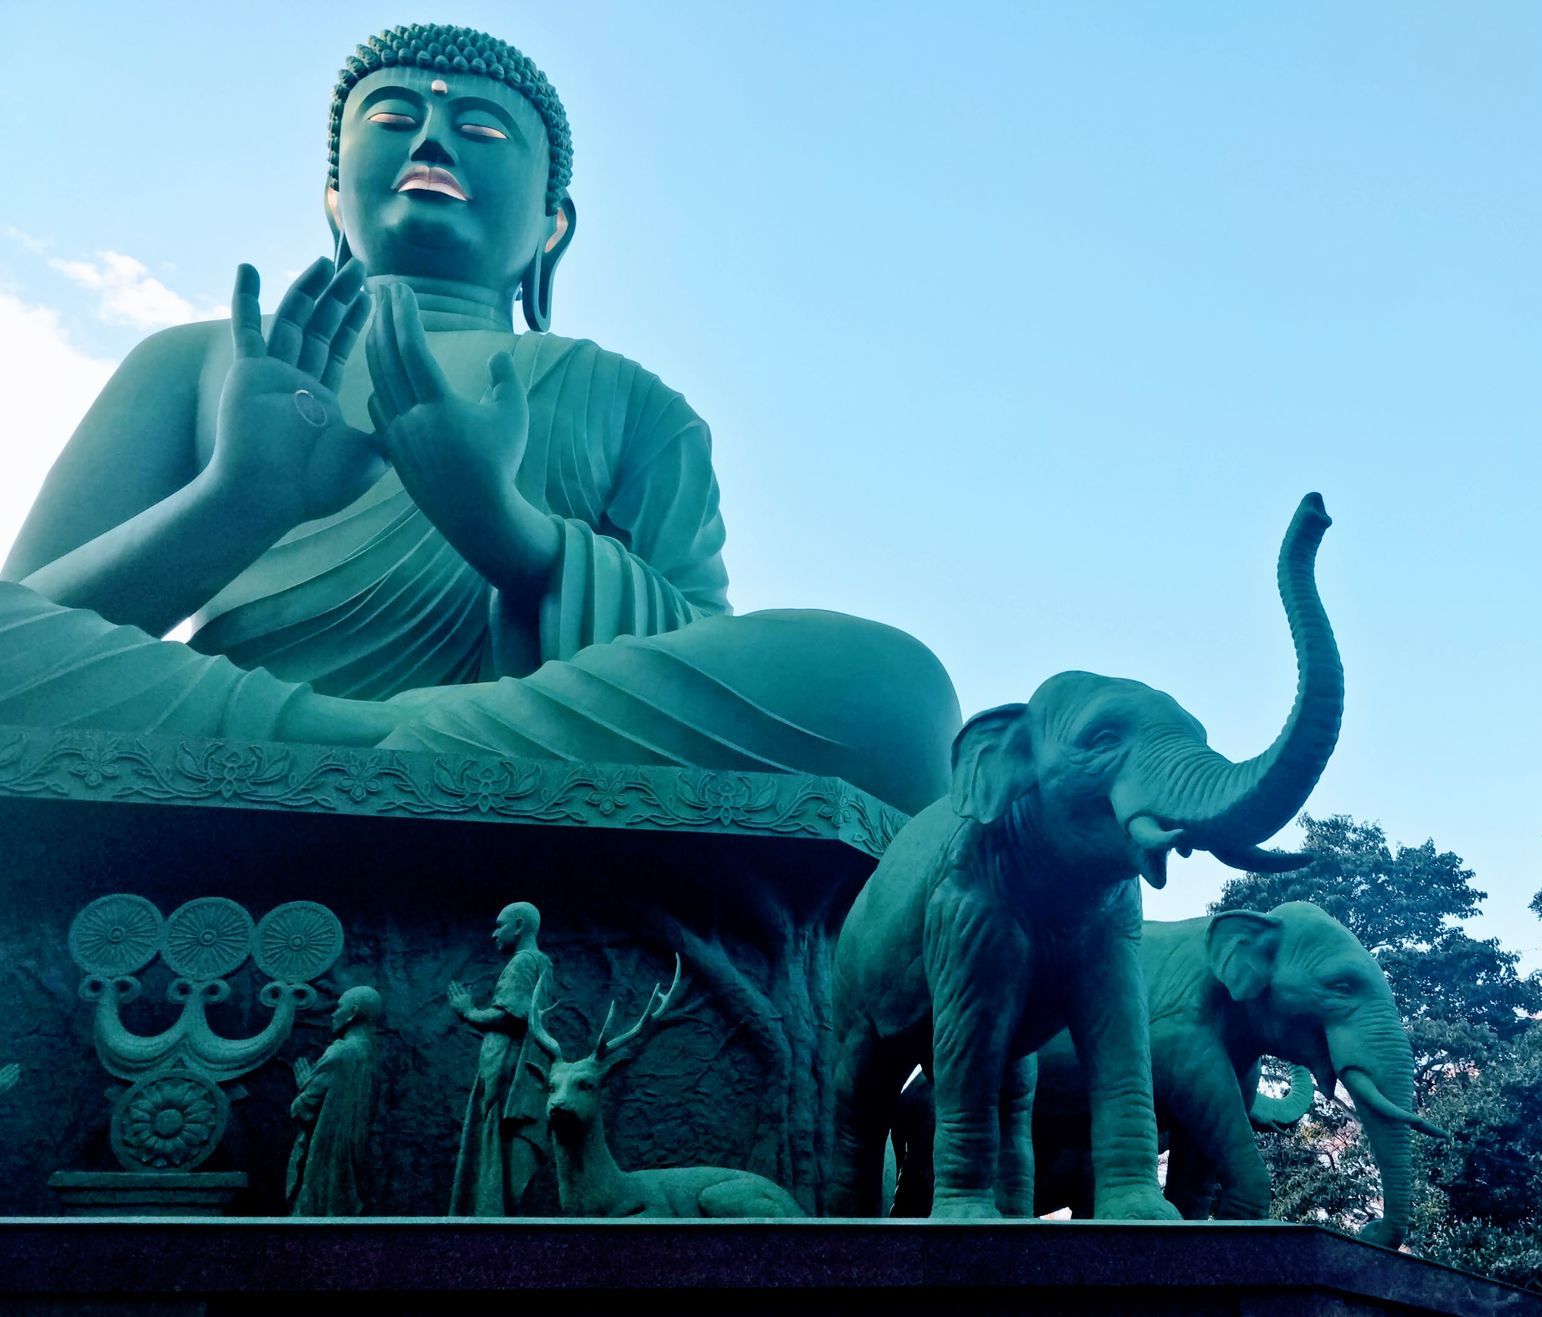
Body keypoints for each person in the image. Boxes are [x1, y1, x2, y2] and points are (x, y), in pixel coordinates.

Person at [0, 24, 958, 815]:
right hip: (226, 717)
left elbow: (694, 642)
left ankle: (375, 751)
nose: (431, 142)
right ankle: (377, 753)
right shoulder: (199, 361)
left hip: (509, 731)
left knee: (895, 696)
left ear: (553, 225)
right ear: (334, 196)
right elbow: (31, 617)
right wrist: (237, 500)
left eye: (483, 130)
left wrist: (518, 539)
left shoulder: (632, 400)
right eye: (393, 117)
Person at [448, 902, 555, 1216]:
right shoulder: (541, 962)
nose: (494, 933)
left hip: (505, 1071)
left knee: (496, 1142)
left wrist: (468, 1011)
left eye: (500, 925)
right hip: (509, 1067)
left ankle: (491, 1209)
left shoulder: (523, 962)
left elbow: (511, 1016)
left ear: (519, 926)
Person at [288, 985, 383, 1216]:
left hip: (327, 1161)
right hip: (355, 1159)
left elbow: (301, 1110)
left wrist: (304, 1088)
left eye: (338, 1007)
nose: (333, 1014)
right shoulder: (371, 1056)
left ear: (352, 1013)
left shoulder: (339, 1053)